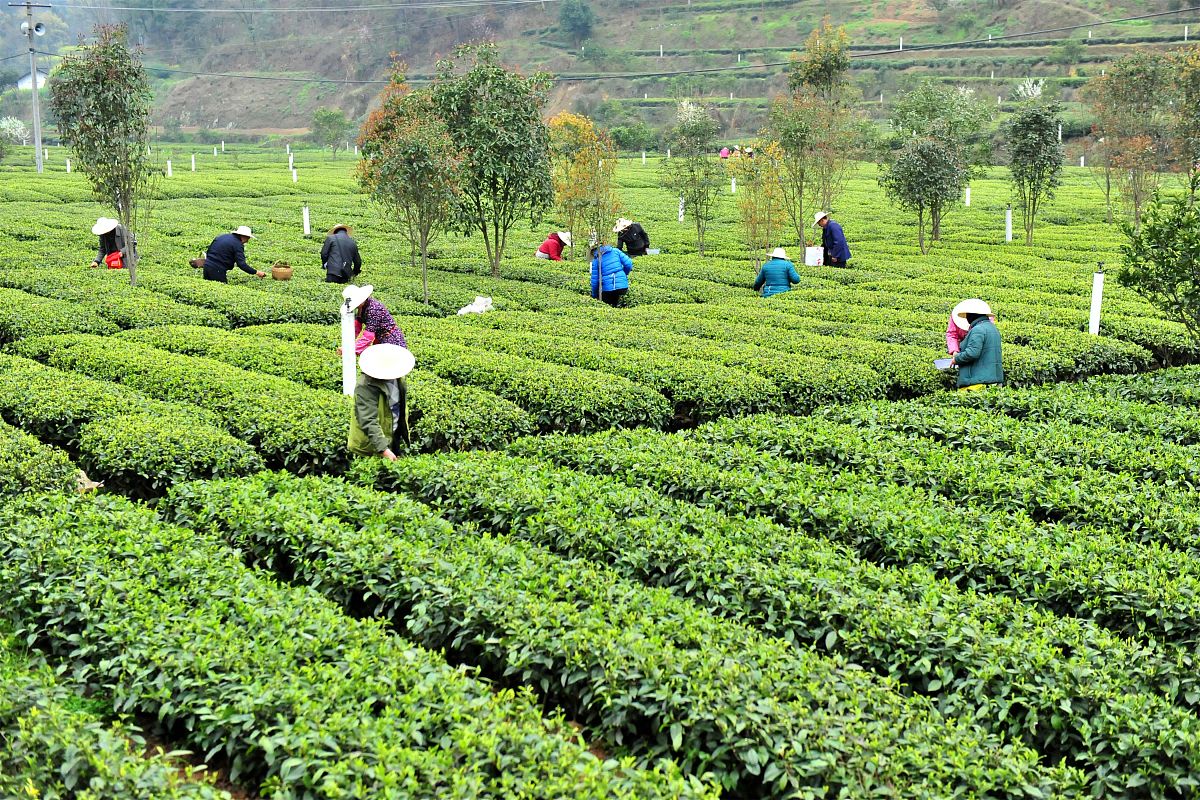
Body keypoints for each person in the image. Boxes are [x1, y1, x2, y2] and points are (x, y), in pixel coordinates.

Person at [348, 343, 413, 461]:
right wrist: (384, 449)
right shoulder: (365, 385)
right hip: (368, 448)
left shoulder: (398, 379)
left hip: (390, 438)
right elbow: (368, 420)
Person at [951, 299, 1004, 390]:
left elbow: (972, 353)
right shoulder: (992, 328)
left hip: (978, 381)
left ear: (973, 315)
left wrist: (957, 358)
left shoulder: (977, 330)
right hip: (993, 379)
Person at [343, 284, 407, 354]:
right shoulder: (361, 307)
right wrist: (347, 345)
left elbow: (368, 336)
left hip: (391, 340)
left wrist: (350, 350)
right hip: (380, 338)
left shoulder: (374, 309)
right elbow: (357, 327)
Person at [590, 242, 633, 307]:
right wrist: (624, 274)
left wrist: (594, 295)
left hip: (608, 290)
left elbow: (595, 281)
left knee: (609, 307)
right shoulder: (616, 251)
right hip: (622, 286)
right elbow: (629, 264)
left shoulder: (596, 260)